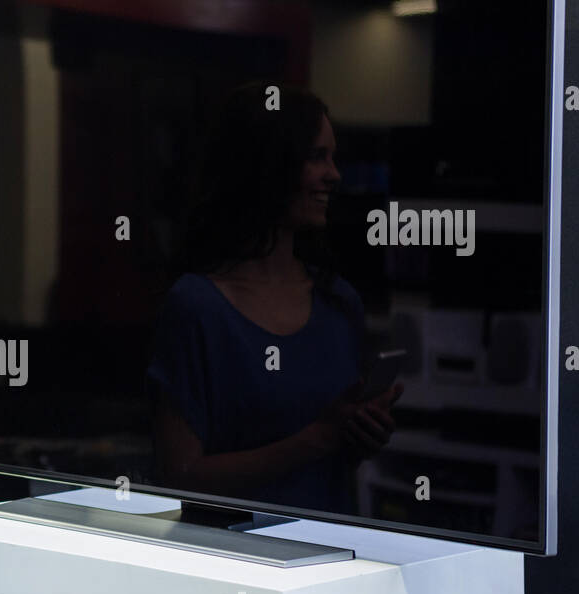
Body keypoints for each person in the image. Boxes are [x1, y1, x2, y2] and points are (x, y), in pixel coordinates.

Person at [147, 82, 403, 515]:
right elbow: (180, 476)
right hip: (234, 564)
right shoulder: (197, 308)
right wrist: (315, 439)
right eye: (316, 157)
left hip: (331, 560)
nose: (334, 175)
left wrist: (359, 438)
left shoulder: (339, 303)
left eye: (333, 157)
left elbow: (332, 465)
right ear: (268, 165)